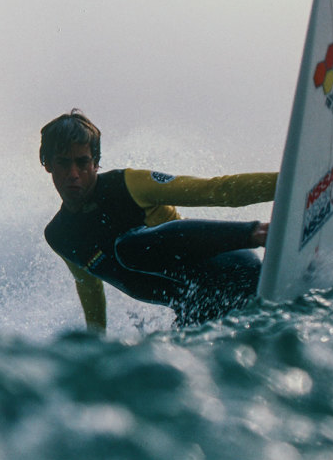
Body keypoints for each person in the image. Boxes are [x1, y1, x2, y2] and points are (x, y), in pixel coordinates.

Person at [40, 110, 277, 332]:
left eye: (82, 162)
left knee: (127, 248)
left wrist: (288, 187)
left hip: (234, 272)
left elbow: (217, 190)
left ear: (96, 162)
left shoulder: (130, 185)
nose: (73, 173)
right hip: (205, 307)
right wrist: (94, 346)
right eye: (63, 162)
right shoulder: (59, 235)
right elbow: (89, 287)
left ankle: (258, 234)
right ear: (48, 164)